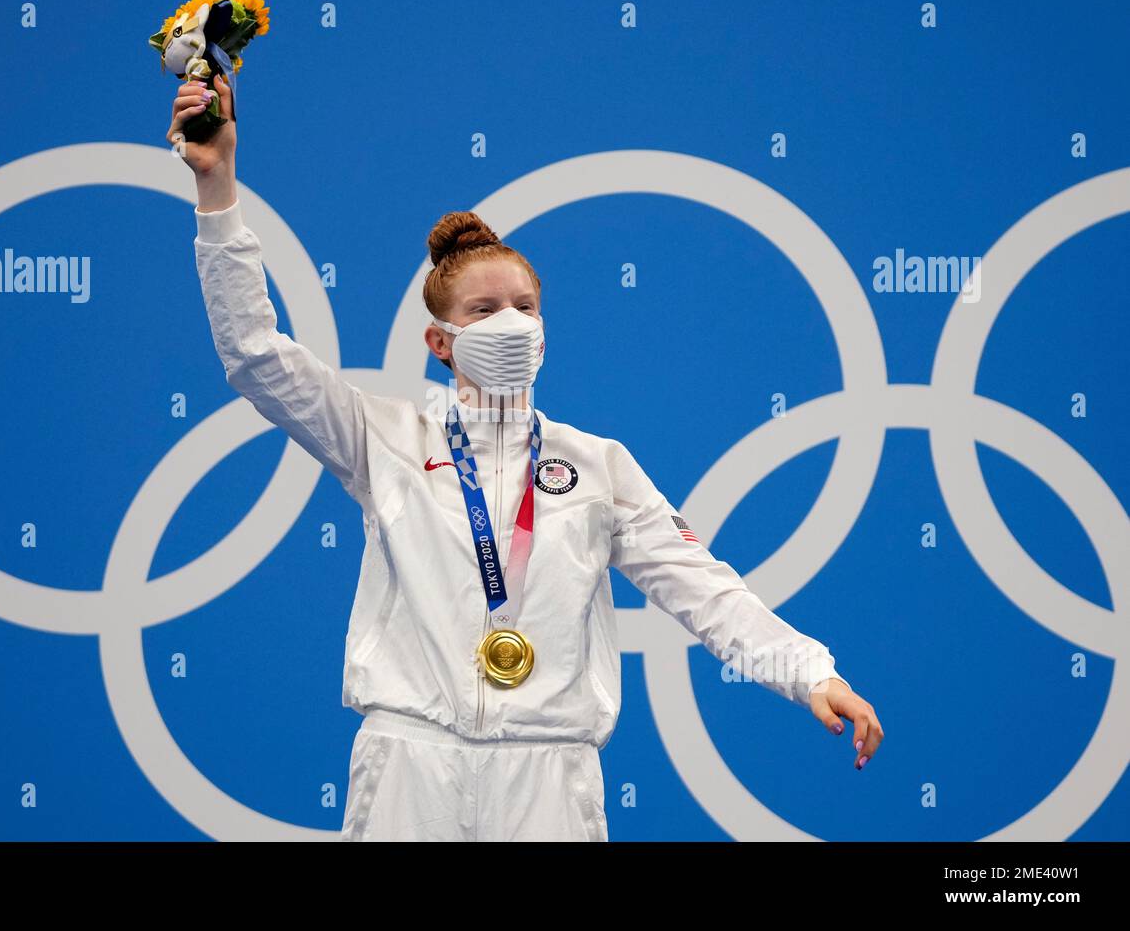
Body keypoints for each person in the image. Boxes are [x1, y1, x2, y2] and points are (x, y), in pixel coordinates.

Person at [167, 73, 884, 842]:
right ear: (440, 343)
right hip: (412, 763)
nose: (511, 323)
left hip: (550, 774)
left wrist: (809, 670)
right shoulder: (383, 438)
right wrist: (218, 189)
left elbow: (702, 589)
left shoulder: (597, 464)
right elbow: (253, 354)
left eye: (525, 308)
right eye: (484, 311)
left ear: (545, 329)